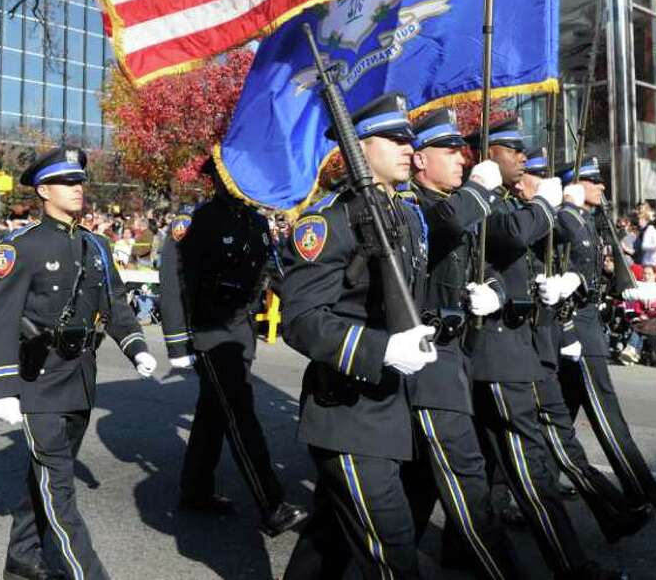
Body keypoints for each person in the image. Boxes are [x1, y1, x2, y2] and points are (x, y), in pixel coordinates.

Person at [280, 93, 439, 580]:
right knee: (393, 552)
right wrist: (381, 348)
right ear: (360, 146)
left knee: (327, 541)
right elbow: (301, 319)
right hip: (347, 411)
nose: (409, 148)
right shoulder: (328, 220)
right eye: (395, 139)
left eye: (409, 139)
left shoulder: (407, 216)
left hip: (392, 404)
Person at [0, 146, 158, 580]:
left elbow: (115, 303)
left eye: (79, 181)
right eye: (66, 182)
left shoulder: (95, 245)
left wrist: (135, 347)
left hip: (80, 377)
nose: (78, 188)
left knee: (45, 478)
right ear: (44, 191)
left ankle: (22, 557)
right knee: (59, 490)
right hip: (38, 380)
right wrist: (2, 390)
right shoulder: (21, 247)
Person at [464, 122, 626, 580]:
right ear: (486, 152)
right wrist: (551, 204)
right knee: (526, 462)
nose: (522, 157)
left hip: (526, 344)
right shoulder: (481, 203)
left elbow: (539, 255)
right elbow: (512, 237)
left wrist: (563, 282)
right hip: (497, 350)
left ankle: (465, 545)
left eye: (524, 152)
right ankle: (571, 563)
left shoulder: (507, 203)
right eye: (512, 149)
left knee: (493, 459)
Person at [156, 158, 307, 537]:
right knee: (239, 413)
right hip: (210, 329)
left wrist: (307, 304)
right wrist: (177, 343)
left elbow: (272, 272)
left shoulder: (256, 221)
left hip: (241, 330)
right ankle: (271, 505)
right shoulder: (195, 222)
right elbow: (173, 281)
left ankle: (195, 488)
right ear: (217, 180)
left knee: (213, 411)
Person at [403, 107, 519, 579]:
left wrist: (495, 292)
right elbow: (443, 225)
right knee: (466, 475)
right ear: (419, 159)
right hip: (427, 358)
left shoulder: (459, 204)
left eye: (461, 151)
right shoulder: (412, 205)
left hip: (459, 355)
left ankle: (402, 557)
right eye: (448, 151)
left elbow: (486, 266)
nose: (461, 158)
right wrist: (479, 189)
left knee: (416, 479)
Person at [560, 158, 656, 516]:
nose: (602, 187)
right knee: (606, 413)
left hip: (589, 322)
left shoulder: (591, 221)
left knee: (559, 416)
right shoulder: (566, 220)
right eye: (594, 180)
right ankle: (643, 490)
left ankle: (527, 486)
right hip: (576, 328)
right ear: (575, 184)